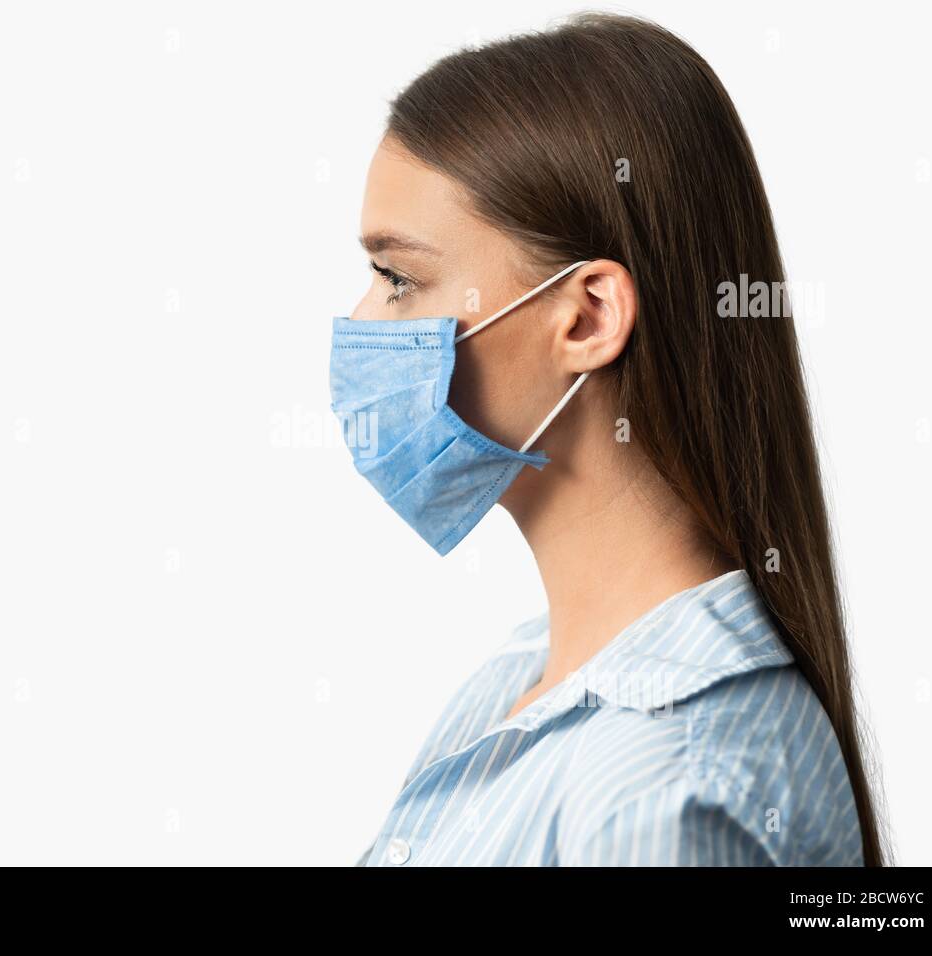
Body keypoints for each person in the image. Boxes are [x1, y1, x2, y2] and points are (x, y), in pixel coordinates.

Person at [330, 13, 887, 866]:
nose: (364, 323)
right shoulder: (524, 684)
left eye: (400, 279)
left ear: (587, 317)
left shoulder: (667, 791)